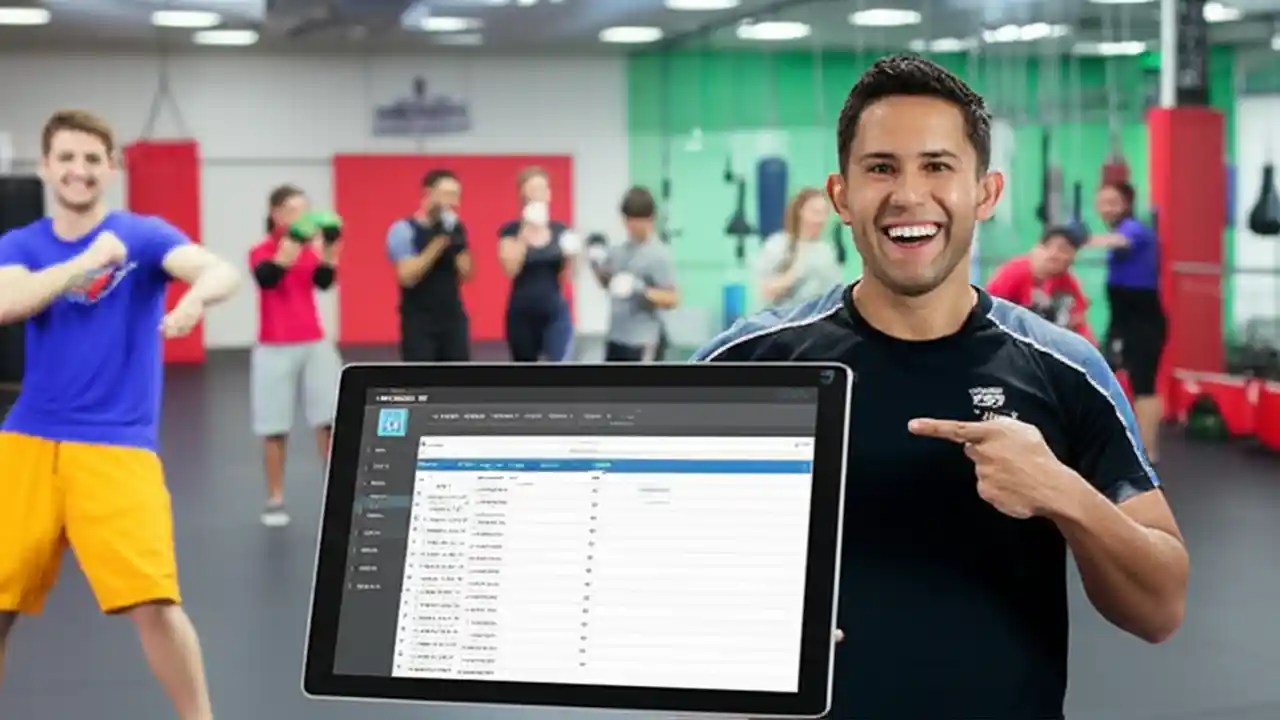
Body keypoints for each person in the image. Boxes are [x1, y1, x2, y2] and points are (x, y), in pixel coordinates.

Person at [692, 56, 1188, 720]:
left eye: (937, 166)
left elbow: (1160, 608)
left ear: (985, 192)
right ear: (841, 196)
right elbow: (632, 564)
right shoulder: (750, 362)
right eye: (880, 168)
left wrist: (1063, 492)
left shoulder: (1065, 370)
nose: (908, 195)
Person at [0, 109, 241, 719]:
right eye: (67, 159)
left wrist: (195, 302)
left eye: (91, 159)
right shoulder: (20, 244)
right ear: (46, 166)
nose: (79, 171)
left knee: (155, 603)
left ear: (111, 168)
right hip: (27, 444)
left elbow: (221, 270)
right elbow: (8, 303)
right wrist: (82, 263)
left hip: (117, 447)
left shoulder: (143, 235)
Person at [248, 184, 343, 528]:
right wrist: (292, 245)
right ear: (276, 214)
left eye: (306, 209)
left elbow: (325, 282)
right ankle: (275, 498)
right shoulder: (261, 250)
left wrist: (331, 246)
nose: (302, 216)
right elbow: (267, 279)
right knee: (274, 426)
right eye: (293, 210)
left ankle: (338, 494)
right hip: (274, 346)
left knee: (330, 421)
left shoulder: (311, 251)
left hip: (314, 342)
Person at [1088, 181, 1167, 463]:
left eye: (1113, 202)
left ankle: (1149, 452)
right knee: (1099, 375)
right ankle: (1102, 444)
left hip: (1145, 320)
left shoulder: (1135, 229)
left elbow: (1120, 241)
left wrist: (1077, 240)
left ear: (1126, 204)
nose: (1107, 208)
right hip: (1120, 319)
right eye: (1102, 202)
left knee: (1143, 383)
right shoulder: (1118, 231)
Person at [386, 169, 473, 361]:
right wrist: (439, 241)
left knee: (460, 381)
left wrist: (458, 243)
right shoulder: (403, 230)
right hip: (419, 321)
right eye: (447, 195)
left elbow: (467, 274)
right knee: (422, 380)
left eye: (456, 196)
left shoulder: (455, 228)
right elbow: (407, 277)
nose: (452, 202)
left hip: (453, 318)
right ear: (428, 193)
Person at [498, 166, 579, 362]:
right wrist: (525, 232)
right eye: (531, 191)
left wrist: (575, 256)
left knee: (558, 367)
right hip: (522, 313)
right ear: (522, 196)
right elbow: (510, 269)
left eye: (541, 190)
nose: (537, 196)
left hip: (554, 311)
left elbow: (569, 276)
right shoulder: (510, 231)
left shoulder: (561, 231)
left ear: (549, 194)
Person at [590, 187, 679, 361]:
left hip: (643, 341)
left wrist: (639, 288)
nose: (630, 226)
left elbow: (672, 298)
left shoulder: (658, 254)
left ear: (649, 219)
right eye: (627, 220)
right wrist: (594, 264)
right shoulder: (620, 250)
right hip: (616, 337)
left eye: (635, 220)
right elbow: (607, 284)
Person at [986, 225, 1095, 344]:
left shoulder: (1065, 278)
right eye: (1061, 250)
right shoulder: (1014, 273)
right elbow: (990, 312)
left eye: (1069, 254)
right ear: (1039, 248)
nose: (1064, 258)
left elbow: (1079, 319)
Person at [755, 187, 843, 308]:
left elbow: (835, 295)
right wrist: (794, 274)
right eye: (815, 212)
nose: (821, 219)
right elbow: (766, 292)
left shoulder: (826, 251)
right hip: (783, 320)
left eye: (824, 213)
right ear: (800, 212)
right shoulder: (778, 245)